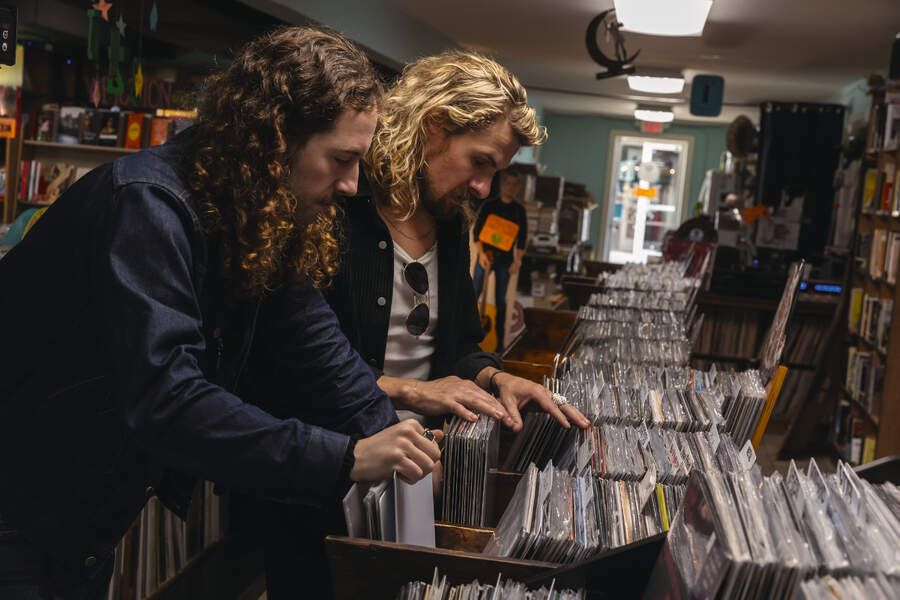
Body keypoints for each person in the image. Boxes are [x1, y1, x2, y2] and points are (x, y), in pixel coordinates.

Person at [0, 26, 440, 600]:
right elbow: (169, 398)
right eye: (341, 158)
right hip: (19, 508)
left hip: (80, 512)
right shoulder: (146, 204)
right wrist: (347, 457)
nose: (352, 184)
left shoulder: (254, 211)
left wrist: (391, 431)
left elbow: (314, 341)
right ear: (275, 137)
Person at [325, 52, 591, 433]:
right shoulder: (341, 203)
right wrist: (416, 392)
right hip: (335, 460)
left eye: (495, 172)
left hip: (422, 462)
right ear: (433, 126)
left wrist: (498, 379)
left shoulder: (449, 225)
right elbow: (307, 360)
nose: (484, 188)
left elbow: (459, 349)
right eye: (479, 162)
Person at [472, 169, 528, 352]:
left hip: (505, 261)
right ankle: (466, 335)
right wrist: (480, 254)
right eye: (508, 183)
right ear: (503, 184)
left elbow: (522, 239)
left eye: (514, 184)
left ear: (517, 187)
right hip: (485, 257)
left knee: (500, 302)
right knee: (473, 293)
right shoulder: (489, 206)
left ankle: (499, 345)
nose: (510, 187)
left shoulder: (519, 211)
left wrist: (517, 261)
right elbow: (477, 232)